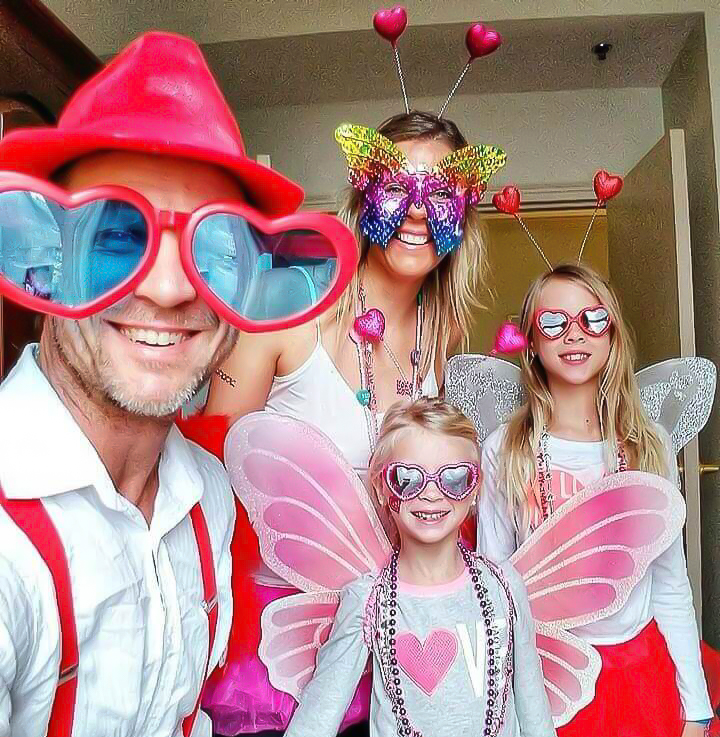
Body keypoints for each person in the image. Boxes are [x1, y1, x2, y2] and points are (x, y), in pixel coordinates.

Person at [0, 31, 355, 737]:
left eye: (212, 245)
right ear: (44, 259)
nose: (167, 287)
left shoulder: (210, 499)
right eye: (115, 236)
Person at [201, 109, 504, 736]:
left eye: (444, 193)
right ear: (362, 194)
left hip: (394, 633)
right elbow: (205, 474)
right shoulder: (288, 307)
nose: (420, 211)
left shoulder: (444, 335)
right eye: (398, 186)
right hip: (277, 633)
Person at [477, 263, 713, 736]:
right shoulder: (505, 448)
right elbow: (493, 585)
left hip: (640, 675)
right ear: (531, 342)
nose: (574, 335)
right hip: (546, 677)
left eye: (592, 319)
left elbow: (669, 582)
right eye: (554, 322)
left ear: (613, 335)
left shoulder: (650, 445)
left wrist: (698, 707)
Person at [282, 397, 556, 737]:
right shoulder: (368, 600)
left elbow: (534, 710)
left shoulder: (504, 587)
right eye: (407, 479)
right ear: (382, 488)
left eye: (455, 479)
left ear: (475, 490)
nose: (430, 494)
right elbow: (318, 715)